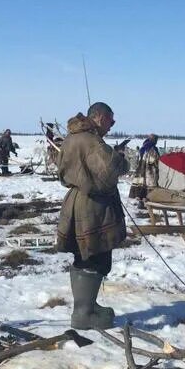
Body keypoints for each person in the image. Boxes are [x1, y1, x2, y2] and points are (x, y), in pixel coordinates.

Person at [56, 101, 130, 329]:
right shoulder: (91, 140)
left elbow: (61, 170)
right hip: (93, 207)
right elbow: (110, 172)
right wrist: (119, 158)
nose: (112, 124)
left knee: (82, 254)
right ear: (98, 117)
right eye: (111, 119)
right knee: (95, 254)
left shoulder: (71, 138)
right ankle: (84, 314)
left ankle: (85, 307)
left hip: (76, 201)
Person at [129, 133, 161, 201]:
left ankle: (139, 197)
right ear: (154, 140)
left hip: (141, 169)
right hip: (149, 170)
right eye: (156, 140)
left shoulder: (143, 147)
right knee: (149, 183)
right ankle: (147, 198)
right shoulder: (152, 149)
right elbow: (153, 159)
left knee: (141, 182)